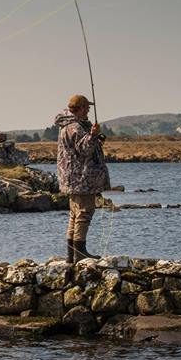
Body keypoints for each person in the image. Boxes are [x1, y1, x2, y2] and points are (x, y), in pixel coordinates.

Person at [55, 94, 111, 262]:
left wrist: (94, 138)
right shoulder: (74, 128)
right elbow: (84, 149)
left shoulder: (70, 125)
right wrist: (93, 135)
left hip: (75, 178)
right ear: (79, 108)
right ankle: (80, 253)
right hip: (81, 179)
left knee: (75, 214)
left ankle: (72, 255)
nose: (88, 110)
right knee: (84, 213)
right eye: (86, 107)